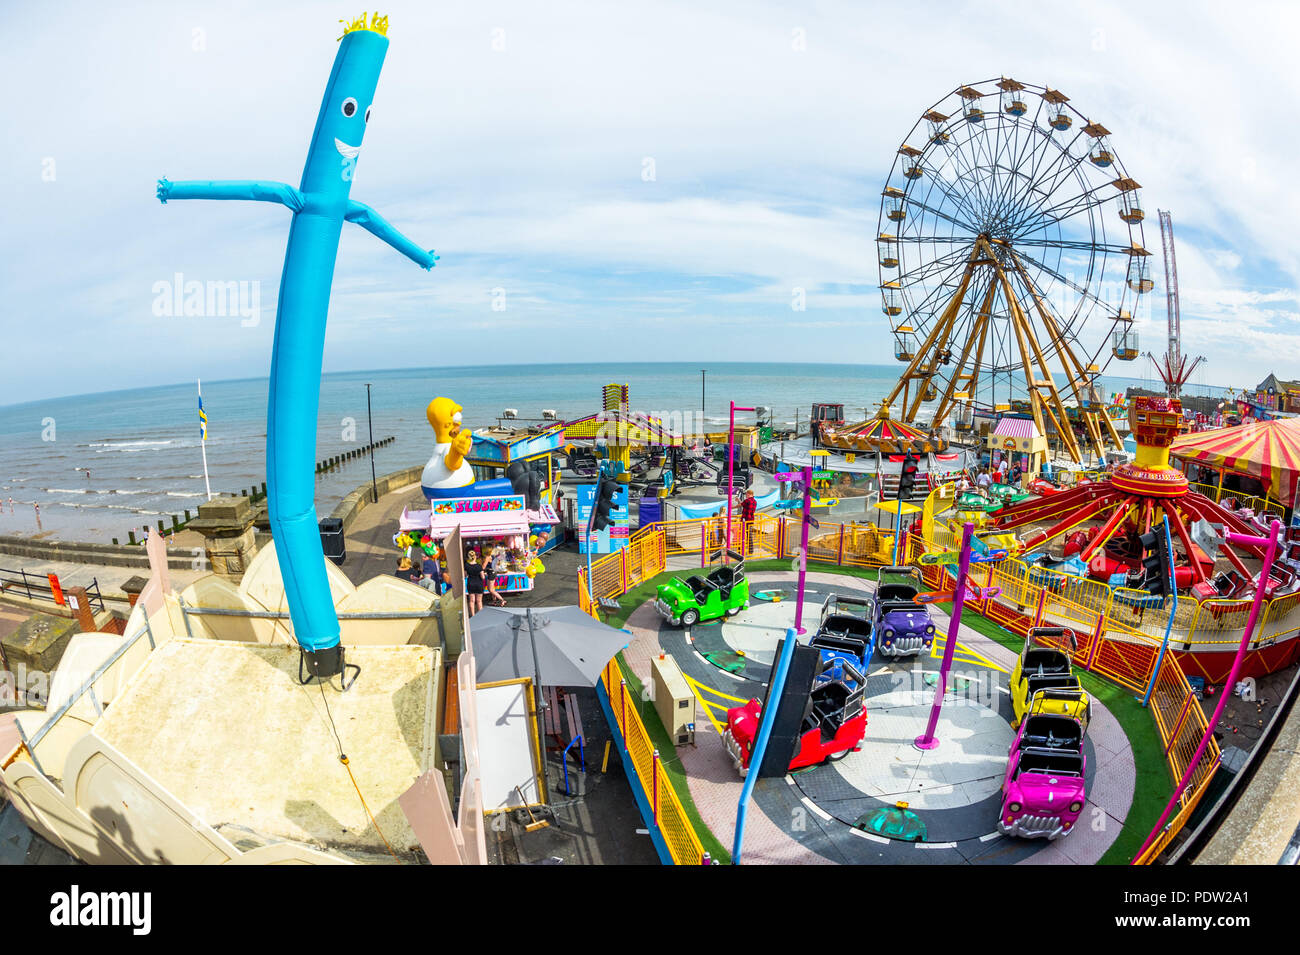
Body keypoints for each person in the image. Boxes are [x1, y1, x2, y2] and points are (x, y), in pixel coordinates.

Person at [464, 549, 485, 616]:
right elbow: (483, 577)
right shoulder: (479, 566)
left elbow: (465, 575)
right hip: (479, 584)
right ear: (475, 556)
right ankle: (480, 615)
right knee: (479, 601)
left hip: (471, 583)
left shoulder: (466, 565)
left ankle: (473, 615)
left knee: (471, 601)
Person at [740, 488, 757, 553]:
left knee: (742, 534)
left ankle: (741, 548)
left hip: (745, 520)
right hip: (751, 520)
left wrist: (732, 507)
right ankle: (750, 550)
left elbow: (741, 505)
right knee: (749, 535)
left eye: (746, 494)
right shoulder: (755, 501)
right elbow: (743, 505)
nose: (746, 495)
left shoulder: (747, 501)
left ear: (750, 494)